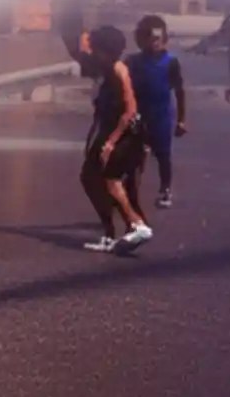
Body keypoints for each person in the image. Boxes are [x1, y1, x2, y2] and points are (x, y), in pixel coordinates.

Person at [67, 26, 154, 253]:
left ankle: (137, 225)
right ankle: (110, 233)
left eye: (96, 47)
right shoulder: (103, 67)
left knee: (111, 180)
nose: (92, 51)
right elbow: (78, 47)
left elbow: (130, 111)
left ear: (106, 50)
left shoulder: (118, 70)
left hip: (124, 134)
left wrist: (111, 142)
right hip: (108, 131)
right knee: (90, 178)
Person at [127, 15, 188, 209]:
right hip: (138, 116)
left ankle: (165, 189)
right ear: (140, 40)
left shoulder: (171, 62)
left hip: (162, 117)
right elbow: (123, 90)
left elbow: (179, 91)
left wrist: (181, 120)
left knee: (163, 156)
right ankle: (131, 195)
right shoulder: (133, 62)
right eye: (150, 39)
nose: (155, 43)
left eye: (158, 39)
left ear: (164, 39)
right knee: (136, 158)